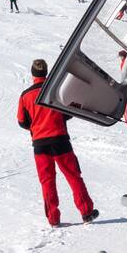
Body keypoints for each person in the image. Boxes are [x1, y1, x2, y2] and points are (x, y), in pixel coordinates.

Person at [17, 59, 96, 226]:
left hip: (40, 144)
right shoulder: (54, 89)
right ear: (46, 72)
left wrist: (36, 125)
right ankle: (86, 212)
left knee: (47, 181)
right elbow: (67, 112)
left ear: (32, 75)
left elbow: (22, 121)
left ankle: (53, 219)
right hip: (60, 140)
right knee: (73, 176)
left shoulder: (25, 96)